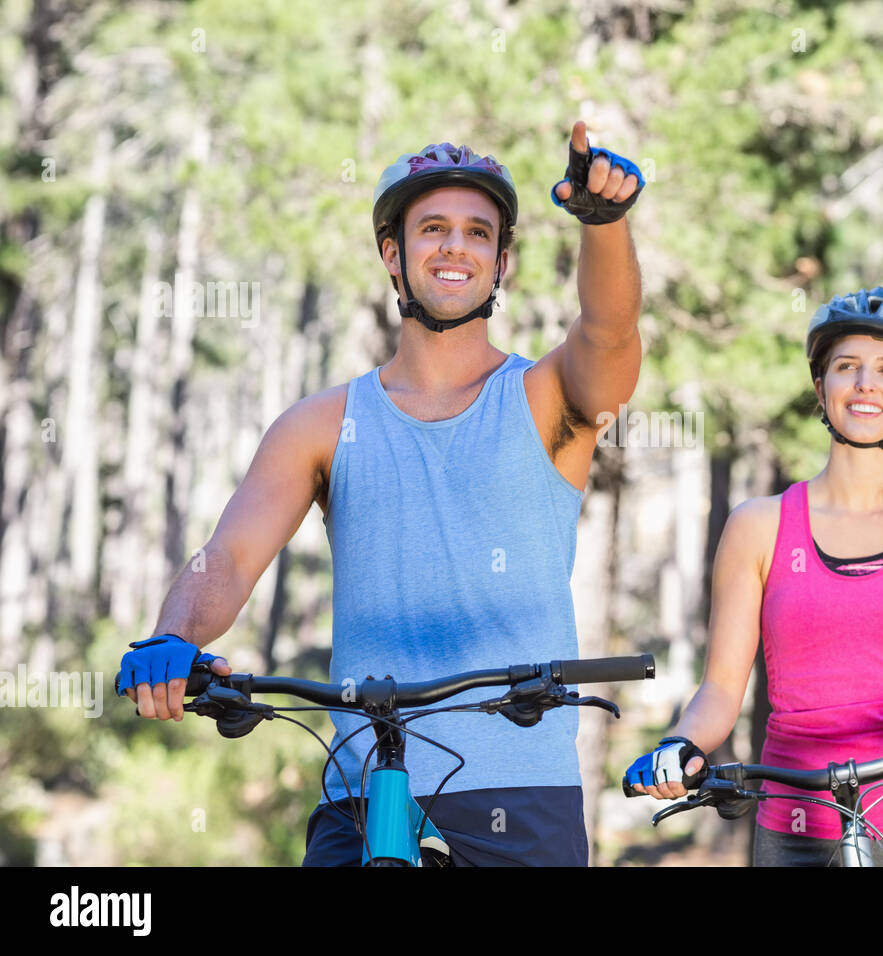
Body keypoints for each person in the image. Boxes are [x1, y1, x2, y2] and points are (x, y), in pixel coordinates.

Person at [117, 121, 646, 866]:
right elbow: (229, 558)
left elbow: (612, 330)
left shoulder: (546, 398)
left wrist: (604, 222)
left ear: (503, 263)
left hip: (520, 796)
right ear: (393, 255)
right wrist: (176, 637)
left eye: (476, 232)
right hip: (362, 795)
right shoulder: (321, 424)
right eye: (432, 228)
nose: (455, 247)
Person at [624, 287, 883, 866]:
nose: (866, 383)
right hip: (797, 822)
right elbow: (721, 689)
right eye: (847, 366)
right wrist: (680, 745)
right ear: (822, 388)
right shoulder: (758, 526)